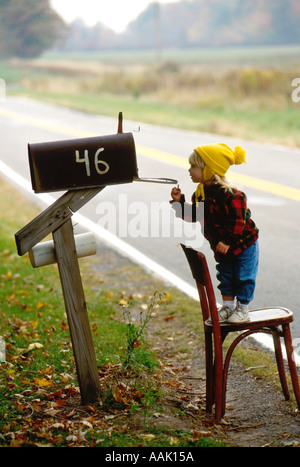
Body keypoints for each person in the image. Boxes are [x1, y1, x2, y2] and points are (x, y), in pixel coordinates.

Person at [170, 143, 259, 324]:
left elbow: (237, 222)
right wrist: (178, 202)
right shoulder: (201, 194)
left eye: (193, 166)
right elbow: (193, 215)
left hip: (243, 244)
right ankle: (227, 307)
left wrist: (226, 241)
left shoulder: (232, 195)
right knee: (225, 274)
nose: (189, 170)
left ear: (209, 169)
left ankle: (243, 309)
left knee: (243, 276)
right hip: (221, 245)